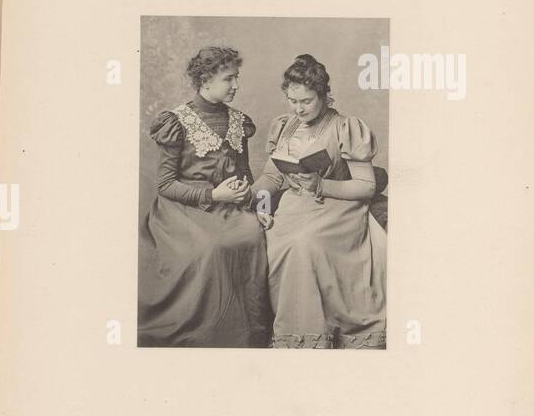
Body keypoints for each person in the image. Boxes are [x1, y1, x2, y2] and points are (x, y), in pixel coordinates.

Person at [138, 46, 272, 347]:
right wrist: (213, 193)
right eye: (228, 79)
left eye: (236, 78)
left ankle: (248, 335)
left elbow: (245, 172)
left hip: (230, 206)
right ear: (205, 80)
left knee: (253, 236)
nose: (236, 85)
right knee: (212, 247)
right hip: (185, 208)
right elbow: (166, 184)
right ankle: (209, 335)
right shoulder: (177, 121)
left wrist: (255, 204)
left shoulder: (238, 121)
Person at [251, 54, 387, 349]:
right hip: (293, 207)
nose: (298, 109)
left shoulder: (346, 127)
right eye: (292, 100)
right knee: (268, 239)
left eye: (307, 101)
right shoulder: (284, 127)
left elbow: (366, 186)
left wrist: (321, 184)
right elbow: (271, 178)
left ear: (324, 96)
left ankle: (309, 336)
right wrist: (258, 202)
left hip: (336, 207)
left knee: (305, 243)